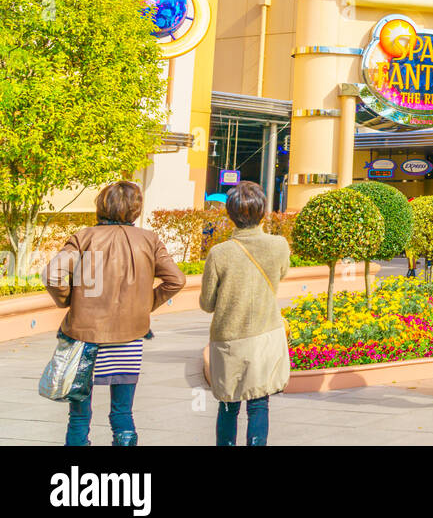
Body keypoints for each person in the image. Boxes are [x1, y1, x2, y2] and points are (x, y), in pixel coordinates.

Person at [42, 181, 185, 446]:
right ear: (135, 209)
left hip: (83, 339)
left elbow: (53, 274)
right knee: (123, 413)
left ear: (102, 205)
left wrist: (69, 301)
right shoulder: (150, 240)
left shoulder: (83, 237)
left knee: (78, 416)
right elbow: (175, 280)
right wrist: (145, 306)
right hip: (130, 338)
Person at [199, 180, 291, 445]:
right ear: (262, 211)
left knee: (228, 405)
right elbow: (281, 274)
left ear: (231, 213)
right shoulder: (279, 245)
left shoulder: (219, 253)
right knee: (259, 403)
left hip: (229, 339)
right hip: (265, 333)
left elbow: (207, 303)